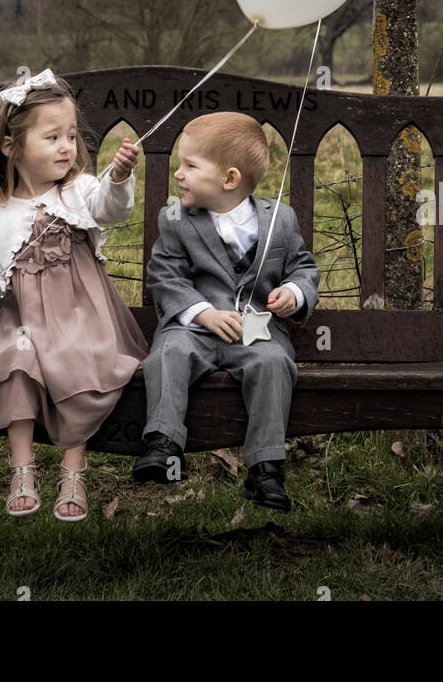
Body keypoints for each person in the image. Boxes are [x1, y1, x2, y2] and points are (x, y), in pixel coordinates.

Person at [0, 68, 147, 520]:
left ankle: (73, 469)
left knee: (74, 358)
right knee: (16, 362)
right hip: (23, 322)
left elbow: (111, 209)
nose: (67, 147)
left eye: (71, 136)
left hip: (83, 316)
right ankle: (21, 468)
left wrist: (118, 177)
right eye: (53, 137)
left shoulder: (80, 191)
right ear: (11, 147)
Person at [134, 112, 318, 511]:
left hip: (253, 328)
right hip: (195, 327)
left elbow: (303, 268)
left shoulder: (280, 220)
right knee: (168, 353)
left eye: (190, 166)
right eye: (179, 165)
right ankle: (163, 444)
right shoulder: (176, 219)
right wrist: (201, 313)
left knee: (273, 362)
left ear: (229, 179)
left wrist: (293, 293)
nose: (178, 174)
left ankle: (265, 469)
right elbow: (165, 277)